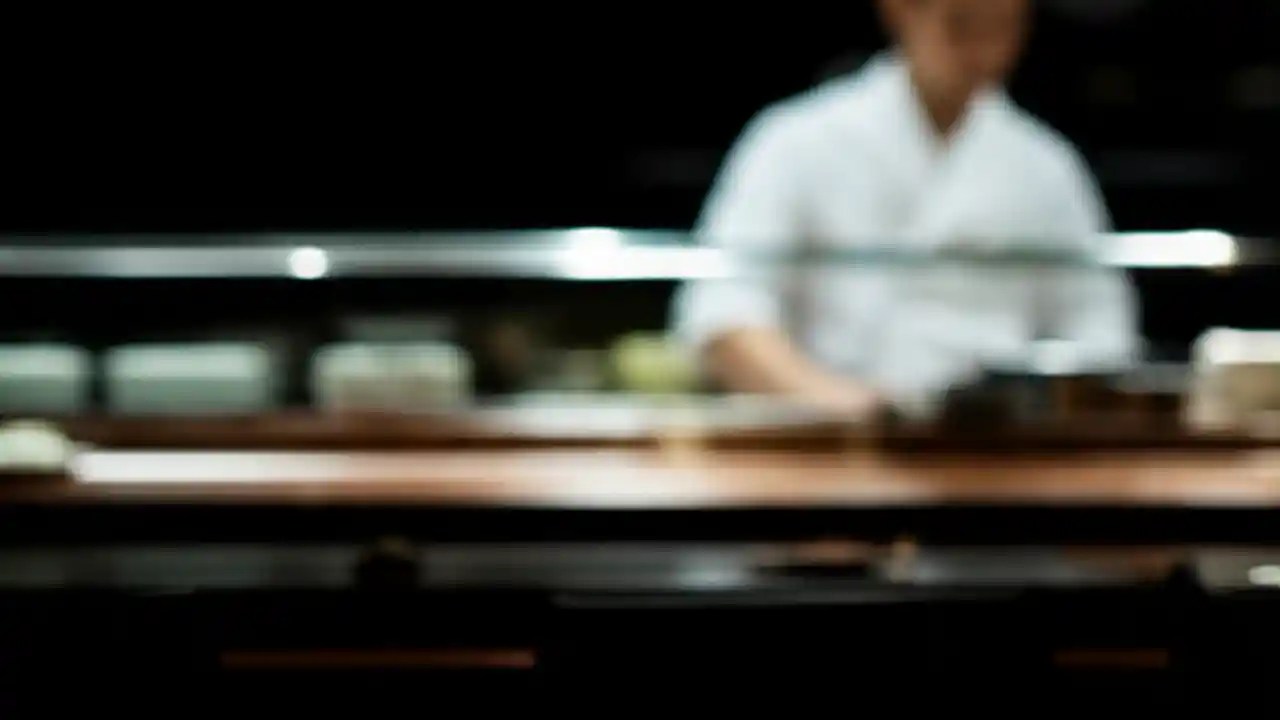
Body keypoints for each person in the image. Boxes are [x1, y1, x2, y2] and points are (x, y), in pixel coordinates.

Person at [672, 0, 1137, 418]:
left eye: (1004, 30)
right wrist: (838, 404)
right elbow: (724, 313)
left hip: (999, 451)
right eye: (962, 25)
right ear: (900, 10)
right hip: (828, 447)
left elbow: (1101, 330)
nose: (985, 53)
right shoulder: (795, 140)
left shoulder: (1045, 165)